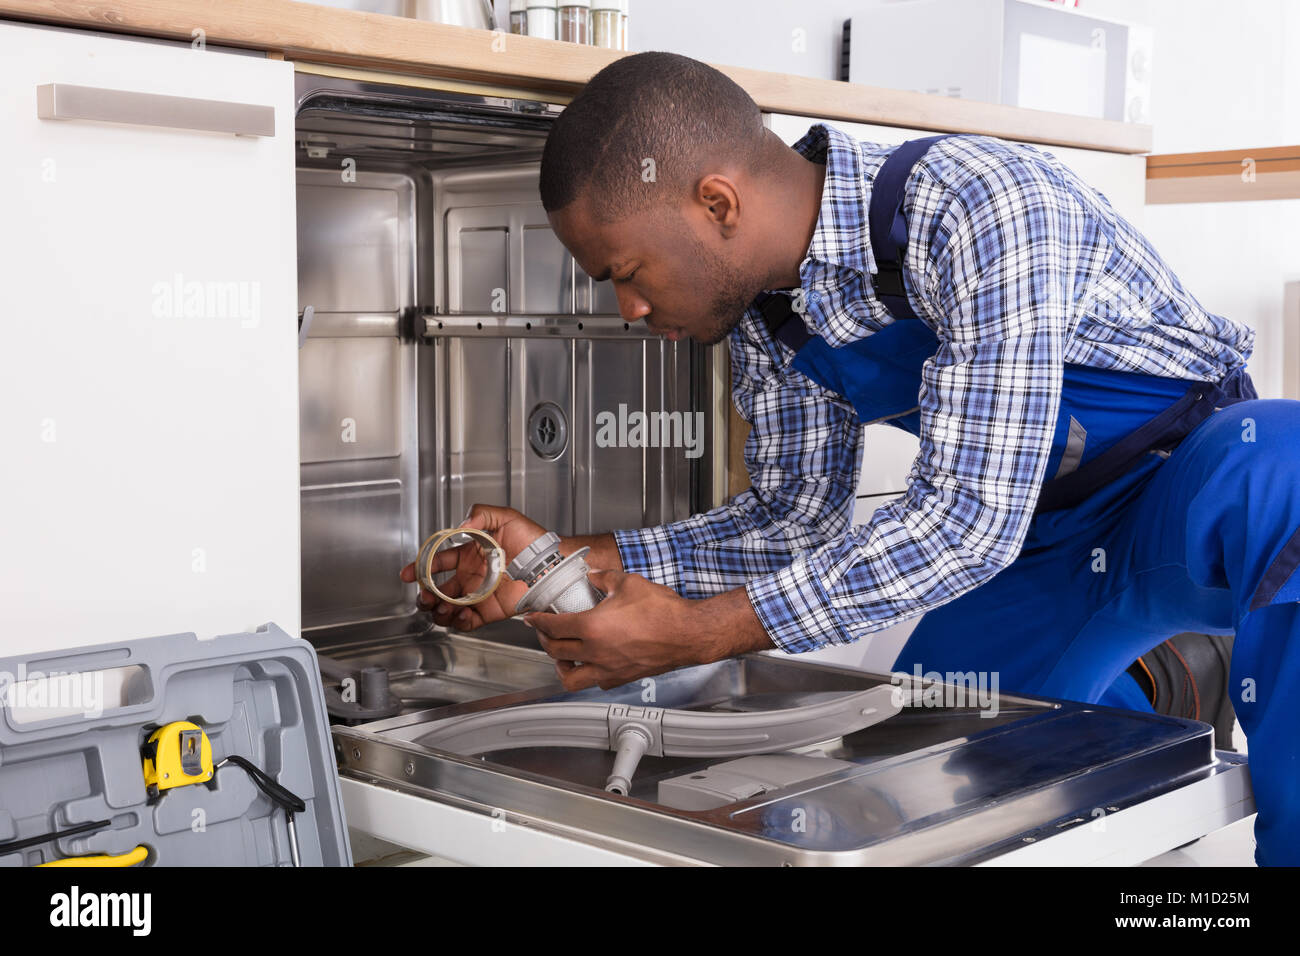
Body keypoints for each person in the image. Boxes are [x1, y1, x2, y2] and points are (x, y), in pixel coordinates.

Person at [401, 52, 1300, 865]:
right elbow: (792, 526)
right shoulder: (763, 317)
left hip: (1183, 487)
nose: (630, 311)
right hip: (1041, 541)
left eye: (628, 271)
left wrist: (702, 629)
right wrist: (567, 561)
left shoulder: (980, 206)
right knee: (938, 765)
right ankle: (1156, 733)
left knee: (1282, 472)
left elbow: (964, 520)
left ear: (717, 204)